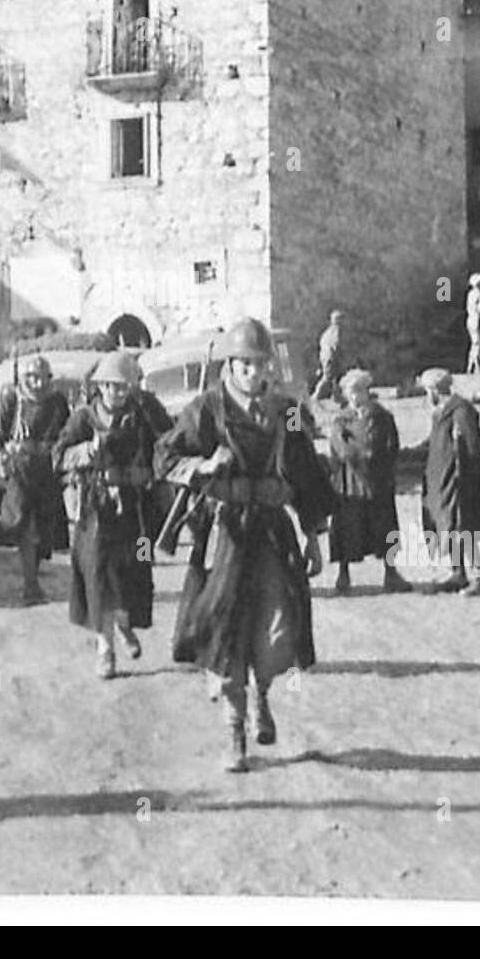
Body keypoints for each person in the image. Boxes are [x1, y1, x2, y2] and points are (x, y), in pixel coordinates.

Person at [156, 317, 336, 773]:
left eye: (261, 365)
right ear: (230, 366)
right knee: (225, 631)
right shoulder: (207, 409)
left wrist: (313, 537)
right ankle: (234, 728)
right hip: (226, 535)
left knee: (277, 627)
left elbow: (307, 474)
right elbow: (165, 456)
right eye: (246, 365)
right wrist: (203, 464)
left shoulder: (287, 411)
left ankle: (262, 695)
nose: (255, 373)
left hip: (273, 532)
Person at [55, 351, 172, 678]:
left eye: (123, 387)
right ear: (100, 386)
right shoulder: (82, 418)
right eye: (110, 386)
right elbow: (58, 455)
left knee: (135, 573)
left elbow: (170, 443)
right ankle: (105, 648)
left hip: (136, 512)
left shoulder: (146, 413)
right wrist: (84, 452)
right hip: (94, 510)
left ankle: (123, 624)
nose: (117, 393)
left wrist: (153, 470)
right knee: (97, 576)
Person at [0, 353, 71, 605]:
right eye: (32, 378)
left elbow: (67, 434)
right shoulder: (8, 398)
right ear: (24, 378)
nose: (38, 384)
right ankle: (30, 584)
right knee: (25, 528)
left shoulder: (58, 402)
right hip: (19, 470)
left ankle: (33, 572)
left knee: (45, 531)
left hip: (47, 472)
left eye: (43, 377)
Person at [327, 369, 411, 594]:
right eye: (350, 392)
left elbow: (391, 447)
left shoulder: (382, 417)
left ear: (367, 391)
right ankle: (343, 575)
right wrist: (358, 456)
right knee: (346, 527)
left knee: (384, 525)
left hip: (377, 481)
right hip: (350, 482)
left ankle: (391, 573)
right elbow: (339, 449)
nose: (355, 396)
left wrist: (380, 465)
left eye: (359, 391)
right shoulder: (341, 421)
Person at [419, 368, 480, 597]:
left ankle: (479, 577)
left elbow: (473, 446)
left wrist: (468, 478)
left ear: (434, 390)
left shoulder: (461, 410)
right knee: (448, 525)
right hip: (440, 478)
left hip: (459, 479)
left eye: (427, 390)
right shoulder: (440, 411)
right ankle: (458, 572)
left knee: (463, 526)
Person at [315, 310, 345, 400]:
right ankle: (316, 396)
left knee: (336, 377)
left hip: (325, 357)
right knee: (327, 378)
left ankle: (336, 396)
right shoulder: (336, 331)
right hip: (331, 357)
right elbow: (336, 345)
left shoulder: (326, 332)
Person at [465, 274, 480, 374]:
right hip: (476, 321)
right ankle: (476, 367)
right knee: (477, 344)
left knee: (474, 344)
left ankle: (471, 366)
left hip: (470, 320)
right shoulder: (478, 294)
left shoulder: (471, 293)